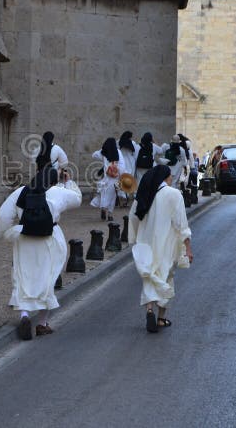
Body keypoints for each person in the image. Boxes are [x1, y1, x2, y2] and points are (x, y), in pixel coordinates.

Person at [0, 166, 82, 340]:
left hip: (25, 237)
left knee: (23, 276)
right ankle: (42, 323)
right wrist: (68, 181)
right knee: (47, 279)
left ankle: (24, 315)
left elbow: (4, 216)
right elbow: (77, 199)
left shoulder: (21, 192)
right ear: (54, 180)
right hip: (50, 237)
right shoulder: (58, 191)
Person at [128, 165, 193, 333]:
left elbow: (133, 218)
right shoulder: (173, 194)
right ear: (165, 178)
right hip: (167, 244)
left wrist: (135, 239)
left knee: (150, 276)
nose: (172, 179)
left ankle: (149, 309)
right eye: (170, 176)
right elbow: (181, 223)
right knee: (166, 277)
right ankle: (161, 318)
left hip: (146, 243)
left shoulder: (143, 194)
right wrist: (187, 247)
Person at [91, 138, 125, 221]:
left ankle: (103, 209)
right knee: (112, 197)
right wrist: (121, 175)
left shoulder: (103, 153)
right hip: (115, 179)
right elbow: (122, 166)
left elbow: (93, 155)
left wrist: (102, 149)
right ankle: (110, 215)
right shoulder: (118, 152)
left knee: (104, 195)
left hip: (106, 179)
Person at [118, 131, 140, 206]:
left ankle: (122, 196)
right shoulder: (133, 143)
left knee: (122, 179)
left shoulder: (119, 142)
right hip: (131, 163)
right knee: (129, 180)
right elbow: (135, 154)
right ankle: (126, 197)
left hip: (121, 162)